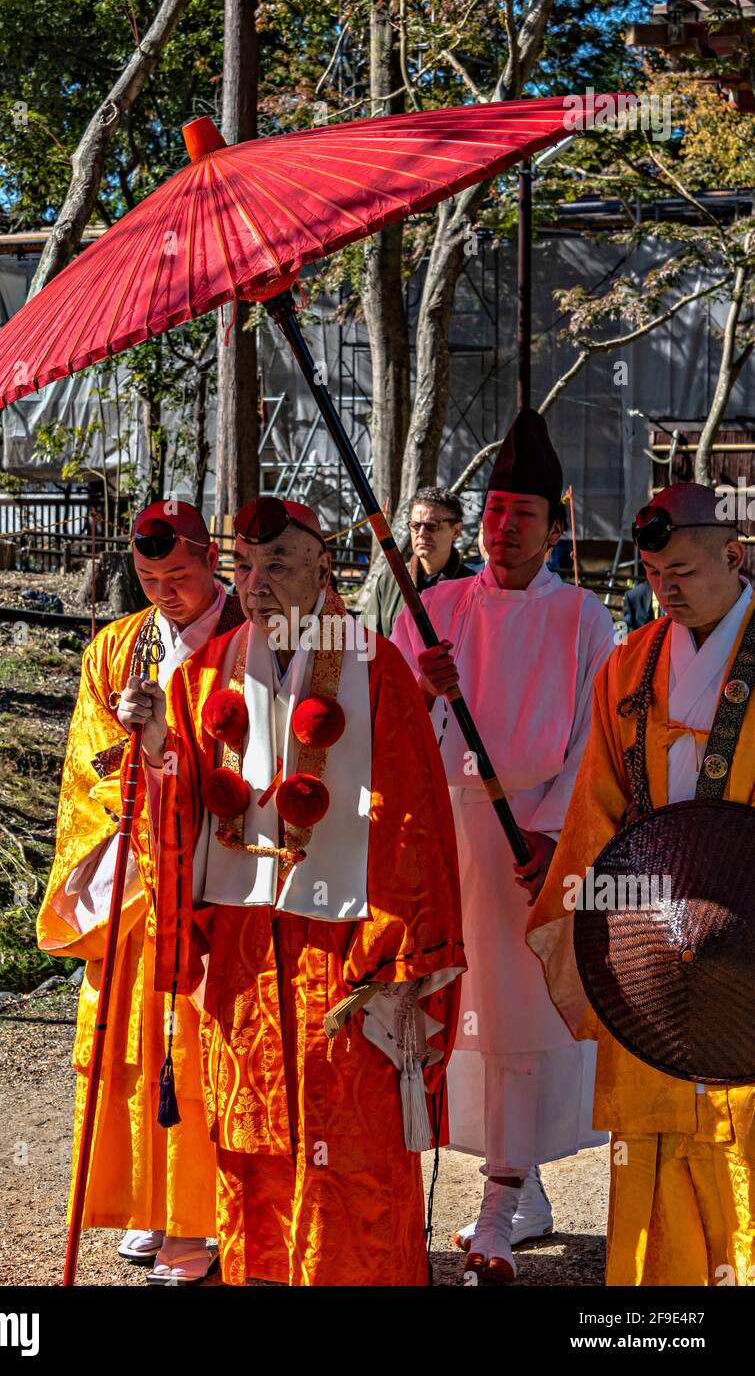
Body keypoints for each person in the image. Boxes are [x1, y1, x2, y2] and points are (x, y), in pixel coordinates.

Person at [133, 495, 466, 1286]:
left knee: (350, 1142)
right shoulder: (205, 671)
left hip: (346, 951)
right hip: (246, 954)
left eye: (277, 563)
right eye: (244, 565)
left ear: (324, 564)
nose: (255, 582)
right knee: (253, 1142)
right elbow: (176, 809)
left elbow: (409, 819)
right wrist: (153, 748)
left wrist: (390, 963)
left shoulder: (373, 664)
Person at [391, 409, 615, 1283]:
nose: (500, 528)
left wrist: (554, 831)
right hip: (444, 836)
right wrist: (428, 685)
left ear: (555, 527)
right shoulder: (435, 609)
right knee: (449, 1014)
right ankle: (504, 1190)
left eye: (521, 514)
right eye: (490, 512)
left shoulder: (584, 618)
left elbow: (597, 738)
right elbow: (397, 727)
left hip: (530, 839)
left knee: (518, 1023)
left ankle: (498, 1201)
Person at [528, 481, 755, 1287]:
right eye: (654, 573)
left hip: (749, 934)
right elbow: (596, 807)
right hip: (657, 941)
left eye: (683, 570)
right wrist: (594, 918)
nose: (665, 586)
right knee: (652, 1128)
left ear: (733, 555)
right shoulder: (631, 662)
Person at [37, 500, 242, 1285]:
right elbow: (88, 770)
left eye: (180, 576)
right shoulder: (116, 648)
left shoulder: (247, 644)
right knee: (135, 1048)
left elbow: (250, 763)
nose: (165, 592)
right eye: (150, 577)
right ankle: (150, 1206)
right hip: (135, 881)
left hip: (219, 877)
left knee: (199, 1051)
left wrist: (172, 752)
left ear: (211, 561)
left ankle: (202, 1223)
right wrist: (135, 753)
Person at [361, 486, 473, 636]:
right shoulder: (391, 580)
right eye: (415, 525)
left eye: (432, 526)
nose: (421, 534)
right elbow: (369, 640)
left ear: (456, 531)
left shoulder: (473, 588)